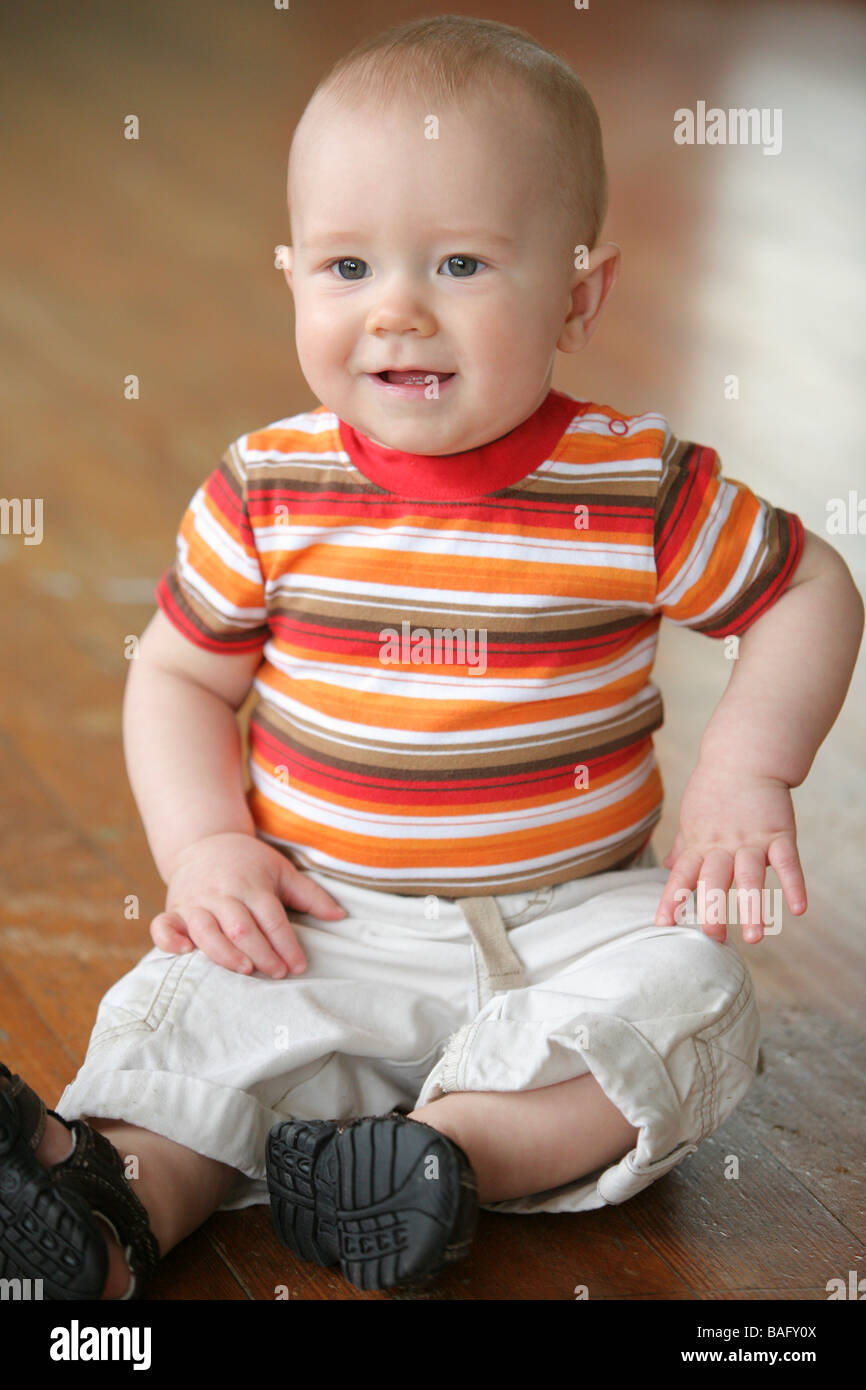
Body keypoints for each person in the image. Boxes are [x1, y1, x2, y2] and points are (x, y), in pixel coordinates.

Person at [1, 15, 862, 1299]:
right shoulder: (266, 491)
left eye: (459, 262)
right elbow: (180, 674)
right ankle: (114, 1215)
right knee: (202, 1012)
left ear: (578, 292)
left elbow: (806, 587)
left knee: (687, 996)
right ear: (290, 275)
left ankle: (436, 1159)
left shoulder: (632, 488)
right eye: (347, 267)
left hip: (577, 916)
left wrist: (747, 773)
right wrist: (207, 849)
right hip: (326, 917)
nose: (396, 308)